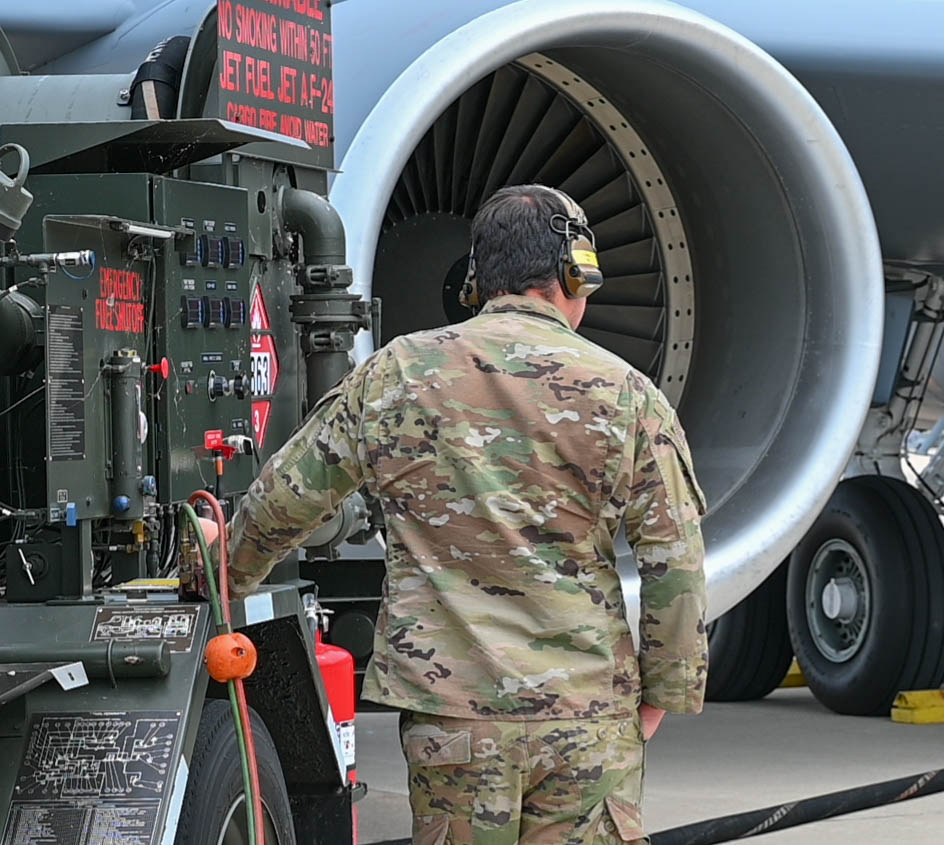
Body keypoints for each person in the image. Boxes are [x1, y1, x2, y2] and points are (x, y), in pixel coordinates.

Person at [225, 184, 709, 845]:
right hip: (586, 714)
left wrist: (223, 574)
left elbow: (285, 499)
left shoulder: (397, 373)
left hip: (452, 715)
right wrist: (661, 694)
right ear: (575, 273)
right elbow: (674, 561)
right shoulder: (629, 394)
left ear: (476, 279)